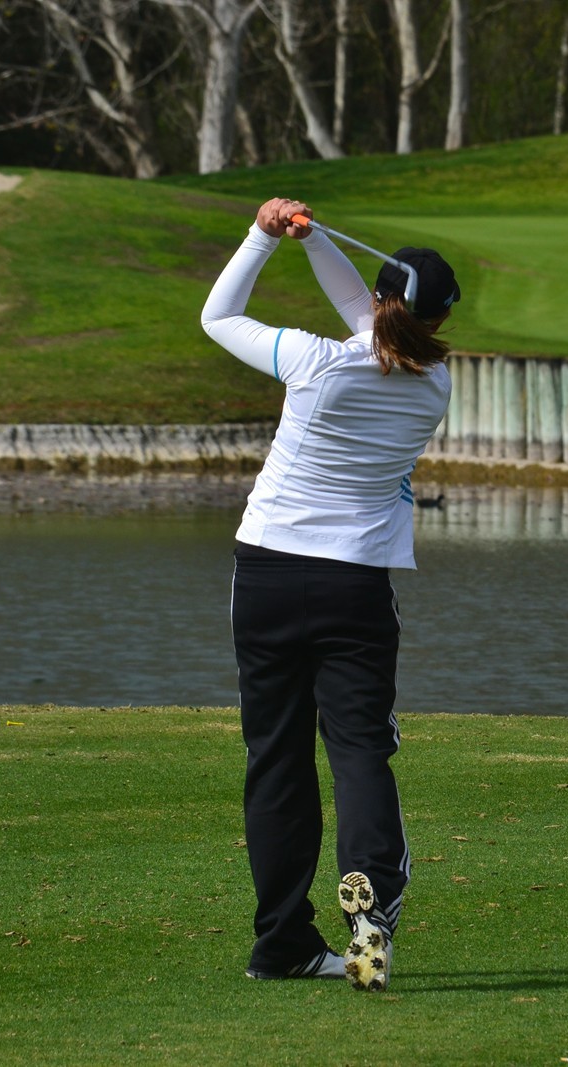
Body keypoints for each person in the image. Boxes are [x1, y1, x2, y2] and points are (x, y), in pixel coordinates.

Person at [200, 198, 459, 992]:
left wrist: (263, 237)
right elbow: (371, 317)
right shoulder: (436, 386)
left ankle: (281, 941)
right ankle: (371, 895)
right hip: (354, 585)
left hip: (268, 574)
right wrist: (312, 243)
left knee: (276, 758)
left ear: (383, 300)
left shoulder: (313, 361)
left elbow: (218, 316)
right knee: (358, 749)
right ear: (440, 317)